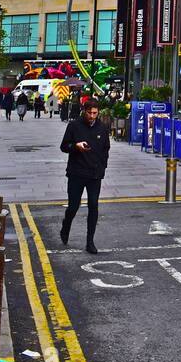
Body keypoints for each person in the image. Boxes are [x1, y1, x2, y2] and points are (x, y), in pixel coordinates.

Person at [59, 98, 110, 254]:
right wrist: (75, 146)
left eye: (95, 113)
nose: (92, 116)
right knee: (73, 207)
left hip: (95, 174)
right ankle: (66, 227)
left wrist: (102, 168)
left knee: (93, 205)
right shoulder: (74, 126)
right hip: (77, 173)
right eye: (90, 113)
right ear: (84, 111)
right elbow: (64, 146)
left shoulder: (102, 127)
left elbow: (105, 149)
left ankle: (90, 242)